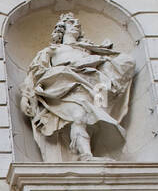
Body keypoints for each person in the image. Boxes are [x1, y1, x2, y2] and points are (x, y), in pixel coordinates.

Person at [19, 12, 134, 161]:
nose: (76, 26)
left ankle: (86, 151)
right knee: (78, 116)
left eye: (77, 24)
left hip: (93, 88)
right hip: (62, 88)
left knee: (93, 118)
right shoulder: (51, 51)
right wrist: (26, 97)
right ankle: (85, 156)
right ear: (61, 28)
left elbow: (123, 64)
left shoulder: (90, 51)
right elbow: (34, 74)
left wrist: (100, 61)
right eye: (71, 23)